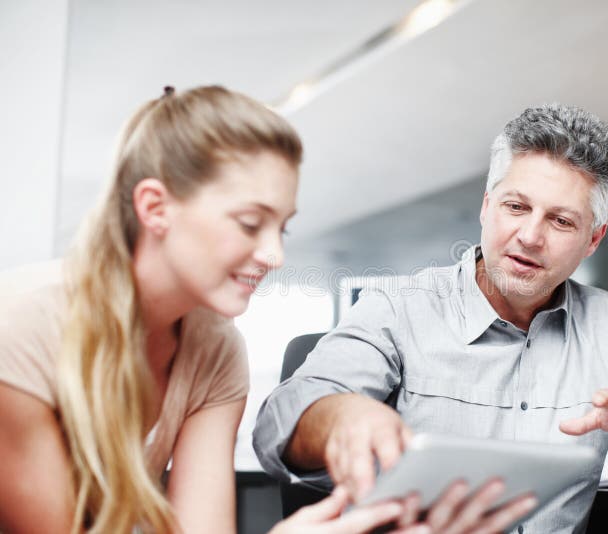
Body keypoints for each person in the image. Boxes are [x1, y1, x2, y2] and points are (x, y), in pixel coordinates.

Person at [253, 103, 608, 533]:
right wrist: (340, 417)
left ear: (593, 239)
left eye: (561, 220)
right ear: (486, 206)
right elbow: (280, 422)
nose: (530, 236)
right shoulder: (400, 308)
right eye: (516, 207)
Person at [0, 85, 431, 534]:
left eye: (281, 229)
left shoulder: (216, 348)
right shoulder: (20, 327)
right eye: (250, 223)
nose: (274, 255)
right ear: (155, 207)